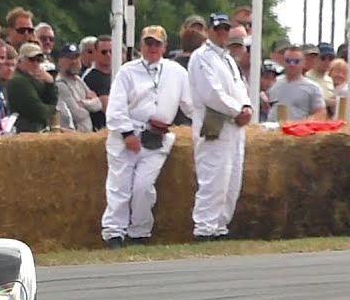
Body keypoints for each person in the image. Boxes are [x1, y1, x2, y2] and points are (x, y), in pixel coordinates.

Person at [99, 26, 194, 248]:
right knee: (119, 185)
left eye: (157, 44)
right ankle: (114, 232)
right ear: (141, 45)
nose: (152, 48)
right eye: (148, 43)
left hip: (157, 135)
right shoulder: (127, 71)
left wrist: (205, 125)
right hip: (127, 132)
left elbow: (191, 105)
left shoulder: (177, 72)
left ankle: (140, 231)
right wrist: (126, 133)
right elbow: (116, 107)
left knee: (143, 186)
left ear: (164, 47)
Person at [186, 13, 251, 241]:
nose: (222, 33)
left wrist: (246, 107)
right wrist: (237, 110)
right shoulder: (201, 57)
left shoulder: (229, 59)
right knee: (214, 177)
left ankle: (220, 227)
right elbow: (211, 93)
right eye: (218, 29)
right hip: (215, 124)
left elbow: (241, 87)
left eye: (225, 29)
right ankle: (204, 227)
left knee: (232, 180)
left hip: (234, 127)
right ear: (209, 31)